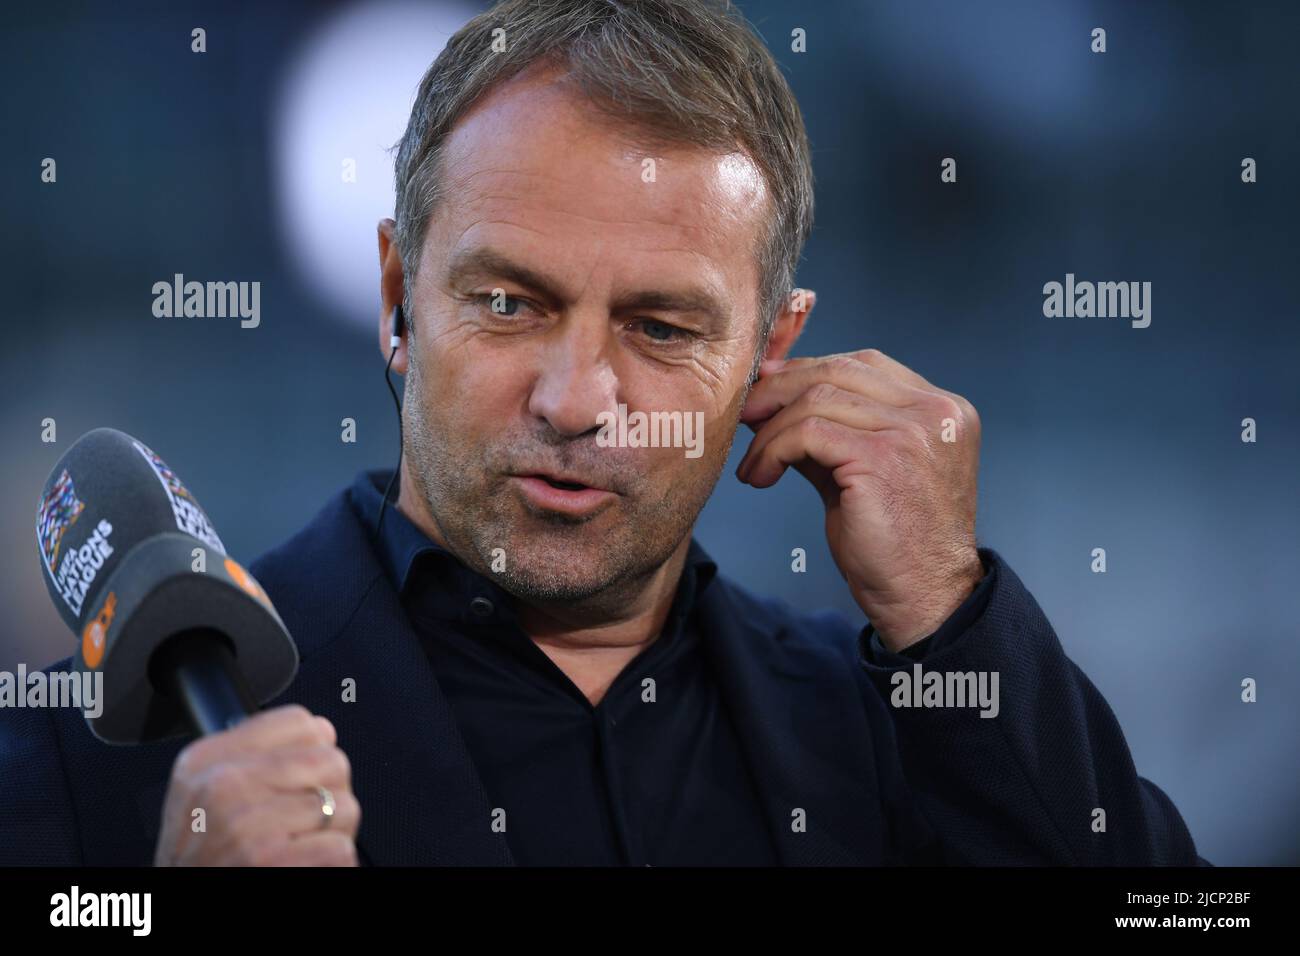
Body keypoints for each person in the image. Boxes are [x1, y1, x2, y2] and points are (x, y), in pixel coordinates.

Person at [0, 0, 1204, 866]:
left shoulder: (904, 733)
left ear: (769, 352)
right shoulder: (95, 753)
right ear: (396, 298)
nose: (576, 399)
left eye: (661, 326)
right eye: (508, 303)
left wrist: (949, 609)